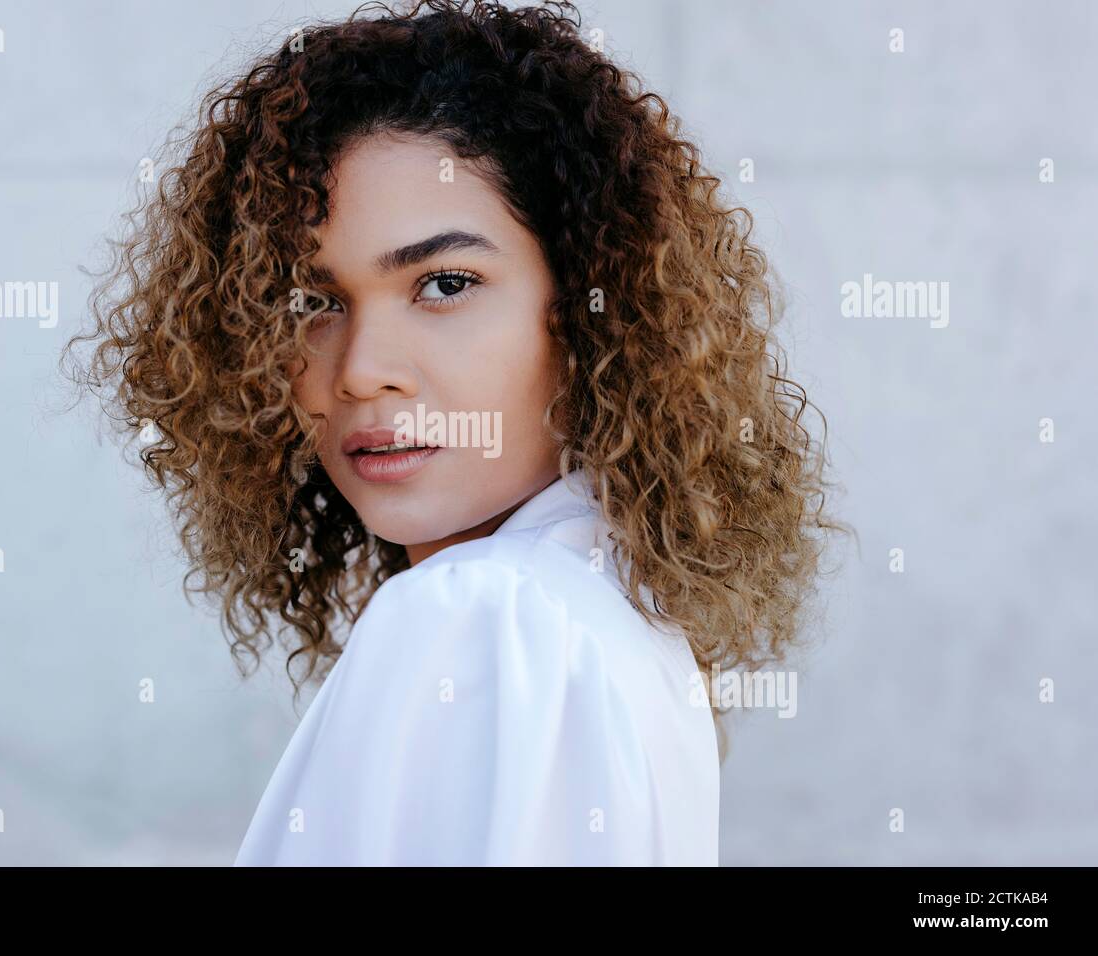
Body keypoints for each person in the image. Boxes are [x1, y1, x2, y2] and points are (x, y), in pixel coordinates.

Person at [67, 0, 841, 865]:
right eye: (316, 302)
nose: (361, 369)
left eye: (443, 284)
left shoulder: (486, 614)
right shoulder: (606, 613)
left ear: (593, 306)